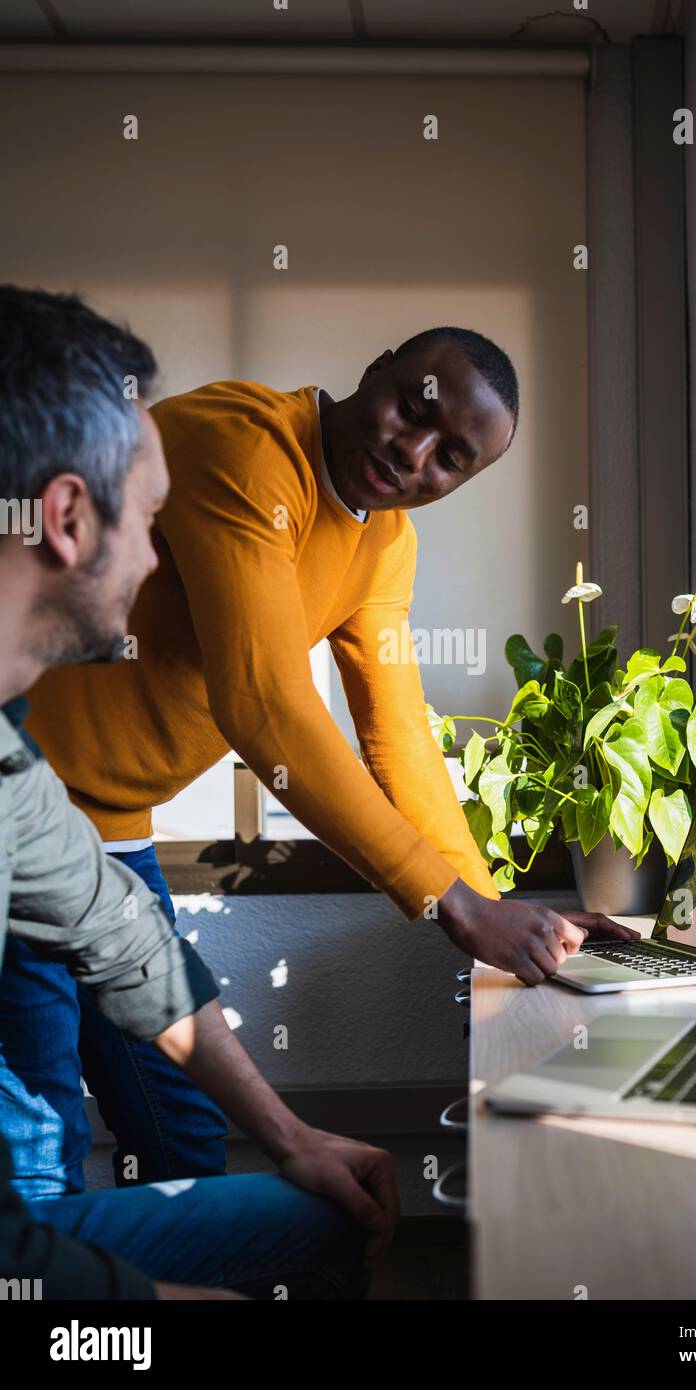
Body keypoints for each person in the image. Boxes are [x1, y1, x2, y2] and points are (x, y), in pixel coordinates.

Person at [21, 313, 636, 1194]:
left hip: (111, 834)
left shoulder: (386, 544)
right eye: (411, 407)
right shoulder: (247, 447)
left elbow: (396, 732)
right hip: (21, 811)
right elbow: (264, 703)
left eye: (451, 457)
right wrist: (452, 908)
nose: (415, 452)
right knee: (41, 1151)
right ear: (378, 365)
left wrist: (495, 909)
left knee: (182, 1139)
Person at [0, 285, 397, 1298]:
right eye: (153, 519)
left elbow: (129, 945)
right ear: (68, 519)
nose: (157, 556)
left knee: (314, 1213)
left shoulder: (11, 757)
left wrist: (292, 1133)